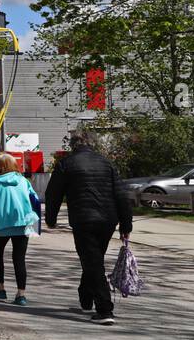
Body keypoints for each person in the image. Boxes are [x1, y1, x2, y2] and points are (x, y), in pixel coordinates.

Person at [44, 129, 133, 325]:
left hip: (83, 220)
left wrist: (51, 219)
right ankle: (85, 296)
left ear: (73, 144)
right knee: (94, 260)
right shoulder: (106, 163)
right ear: (92, 144)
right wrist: (126, 224)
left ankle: (104, 310)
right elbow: (122, 195)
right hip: (108, 220)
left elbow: (53, 194)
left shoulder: (66, 164)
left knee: (92, 263)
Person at [0, 152, 40, 306]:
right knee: (19, 259)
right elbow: (34, 199)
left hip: (0, 225)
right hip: (22, 223)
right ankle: (21, 294)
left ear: (1, 167)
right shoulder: (23, 181)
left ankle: (0, 289)